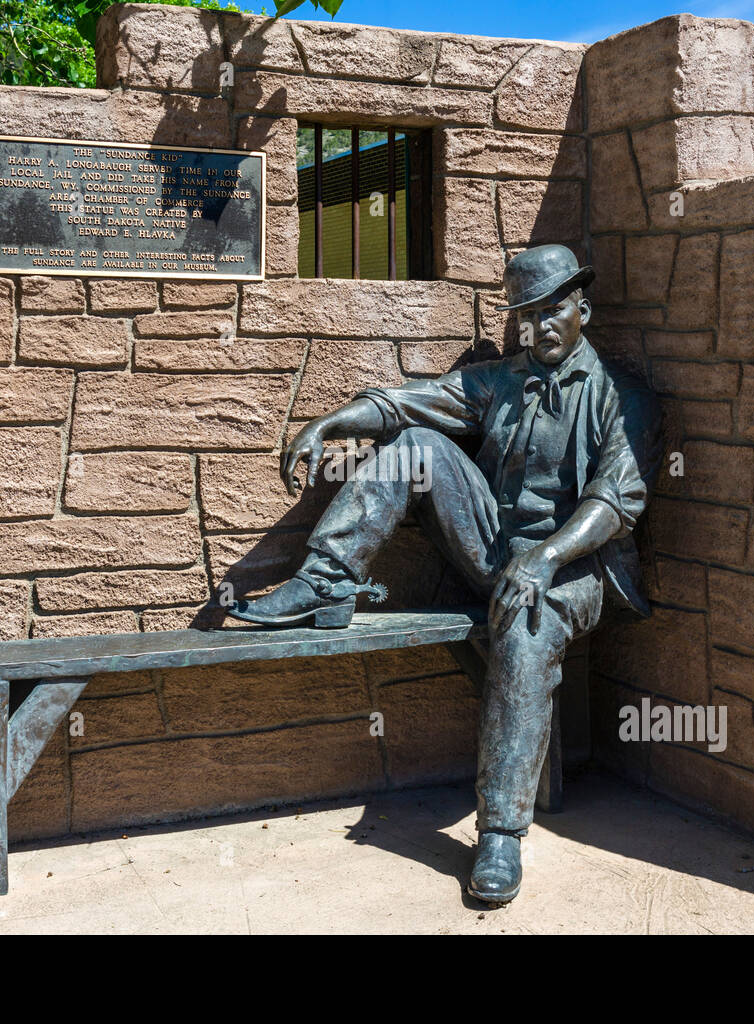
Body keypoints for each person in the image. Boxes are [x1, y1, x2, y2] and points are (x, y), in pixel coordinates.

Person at [231, 244, 663, 904]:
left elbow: (616, 503)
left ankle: (500, 832)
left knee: (525, 621)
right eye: (527, 314)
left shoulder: (622, 398)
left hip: (576, 569)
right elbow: (410, 405)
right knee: (415, 447)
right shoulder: (500, 380)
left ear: (583, 308)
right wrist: (332, 421)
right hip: (494, 548)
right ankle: (324, 579)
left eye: (554, 311)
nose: (541, 326)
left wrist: (545, 558)